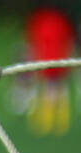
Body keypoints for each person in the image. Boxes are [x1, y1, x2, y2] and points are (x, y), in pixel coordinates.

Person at [26, 7, 73, 136]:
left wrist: (34, 60)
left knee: (49, 92)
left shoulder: (39, 21)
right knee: (60, 92)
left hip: (46, 62)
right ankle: (61, 125)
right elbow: (69, 41)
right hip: (60, 62)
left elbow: (33, 43)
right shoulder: (60, 20)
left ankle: (47, 124)